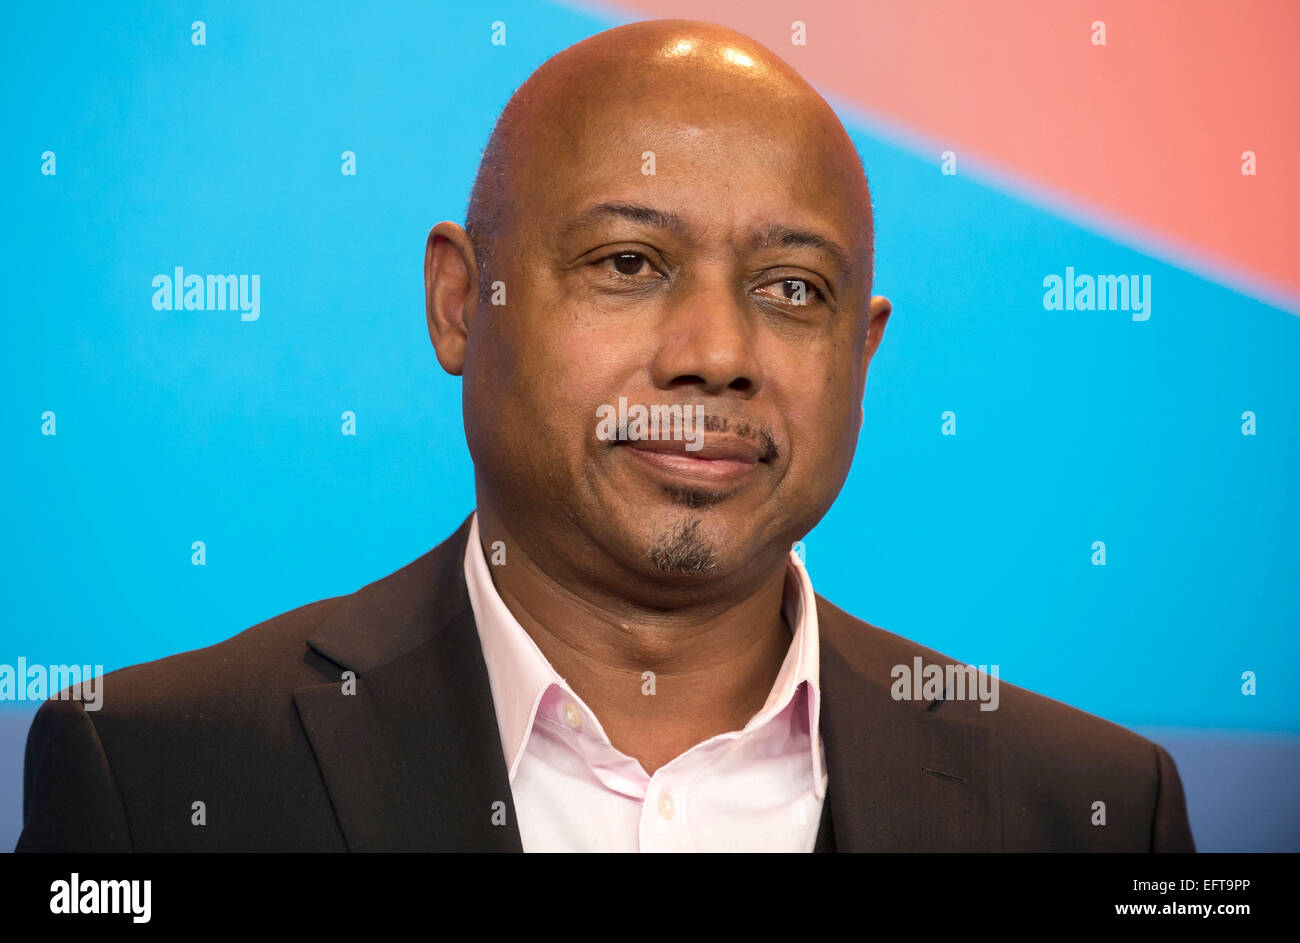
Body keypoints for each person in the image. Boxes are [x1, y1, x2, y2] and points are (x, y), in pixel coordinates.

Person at [15, 18, 1194, 852]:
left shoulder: (1089, 809)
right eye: (628, 263)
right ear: (457, 303)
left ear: (863, 354)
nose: (716, 353)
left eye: (791, 290)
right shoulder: (157, 777)